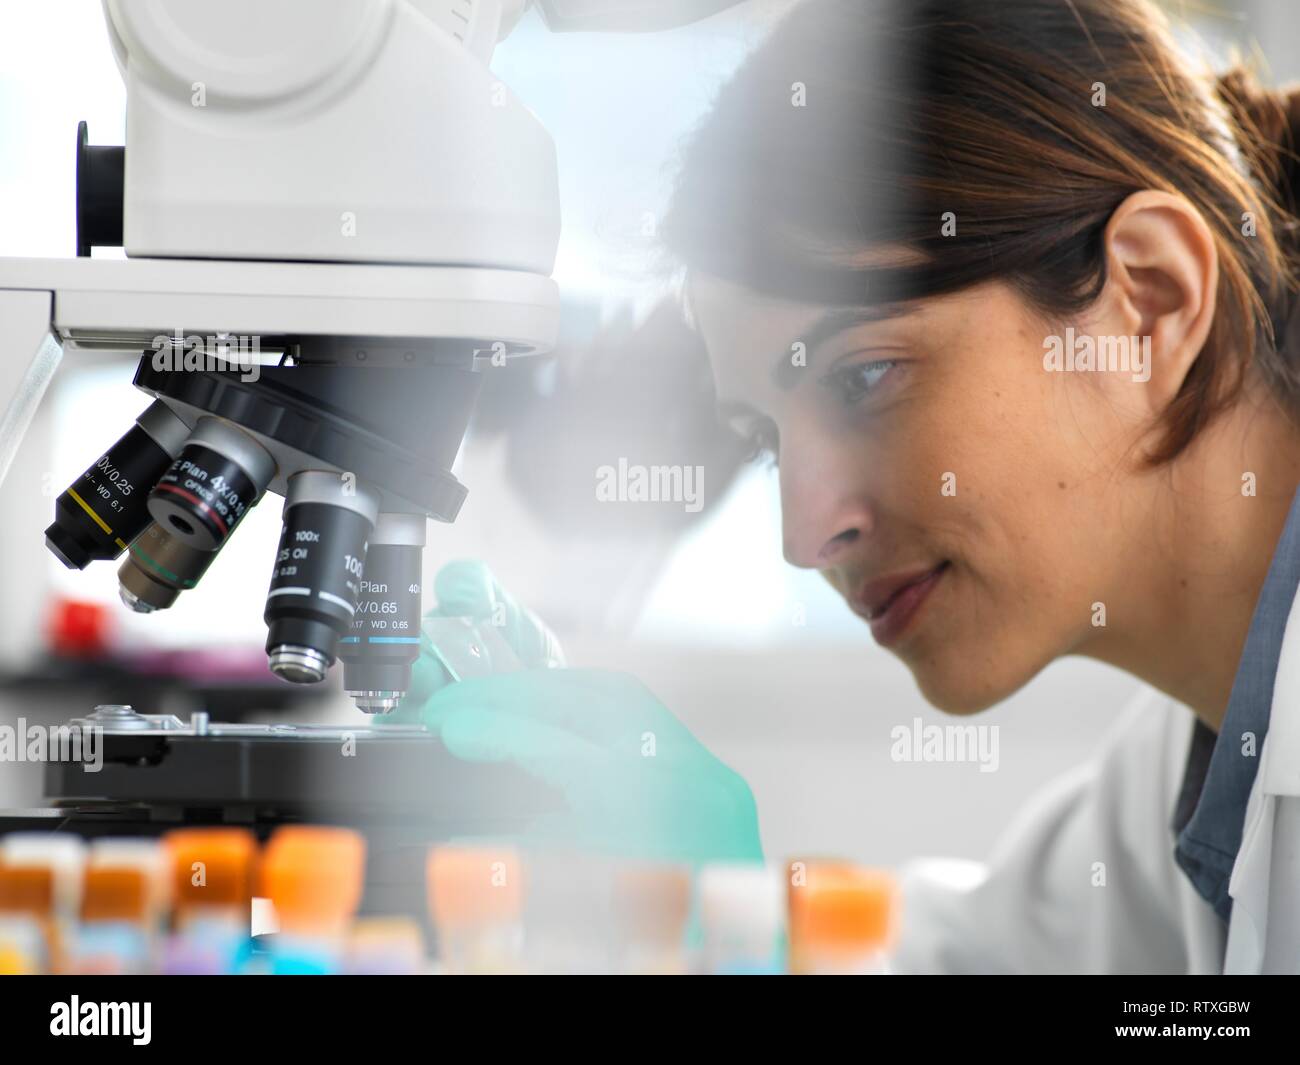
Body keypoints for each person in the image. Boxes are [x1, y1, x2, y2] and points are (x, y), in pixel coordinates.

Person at [407, 0, 1300, 974]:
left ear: (1151, 297)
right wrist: (707, 920)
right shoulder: (1193, 778)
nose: (804, 532)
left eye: (865, 377)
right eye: (759, 439)